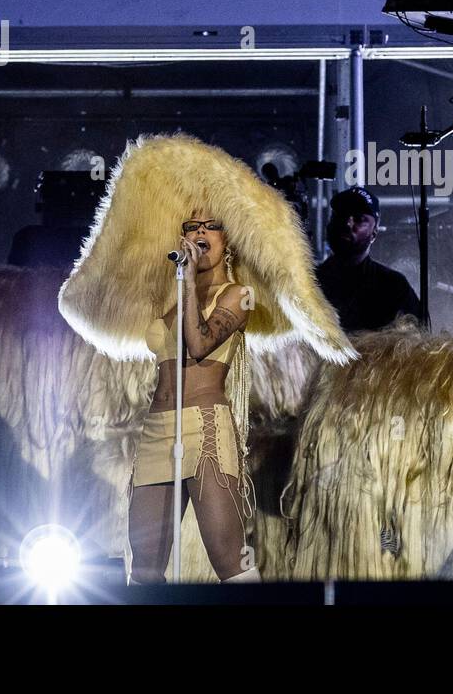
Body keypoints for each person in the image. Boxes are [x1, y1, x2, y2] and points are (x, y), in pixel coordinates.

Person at [58, 133, 355, 583]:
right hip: (158, 428)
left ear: (227, 240)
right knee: (143, 566)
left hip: (206, 432)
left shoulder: (237, 295)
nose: (199, 235)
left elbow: (198, 345)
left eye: (209, 227)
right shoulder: (175, 295)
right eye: (191, 227)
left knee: (229, 559)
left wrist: (184, 281)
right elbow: (111, 317)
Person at [316, 187, 422, 330]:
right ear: (330, 224)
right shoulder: (307, 282)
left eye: (359, 219)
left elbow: (419, 342)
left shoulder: (394, 287)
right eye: (341, 215)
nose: (348, 223)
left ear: (374, 234)